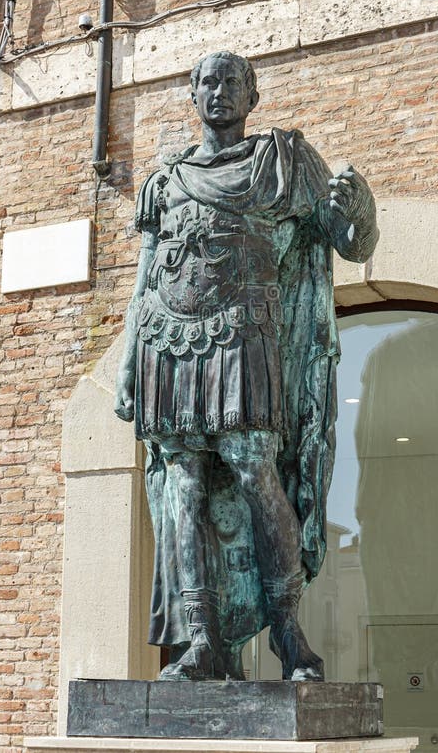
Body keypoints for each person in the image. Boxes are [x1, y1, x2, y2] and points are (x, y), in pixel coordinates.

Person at [115, 51, 378, 681]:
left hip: (244, 332)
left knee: (255, 466)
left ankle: (287, 628)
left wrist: (360, 212)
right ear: (193, 93)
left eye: (233, 81)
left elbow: (347, 243)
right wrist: (128, 361)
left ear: (252, 94)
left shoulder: (282, 162)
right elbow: (145, 276)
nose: (220, 91)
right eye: (207, 80)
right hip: (167, 337)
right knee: (182, 481)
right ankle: (201, 638)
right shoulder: (165, 182)